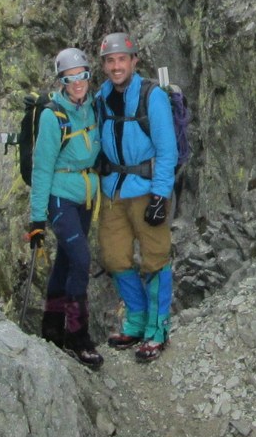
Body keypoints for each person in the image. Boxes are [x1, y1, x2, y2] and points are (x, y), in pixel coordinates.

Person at [91, 31, 177, 363]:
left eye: (121, 60)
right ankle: (137, 321)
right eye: (110, 61)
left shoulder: (151, 96)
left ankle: (157, 330)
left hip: (146, 189)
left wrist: (160, 195)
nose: (116, 66)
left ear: (133, 61)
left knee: (155, 258)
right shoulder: (101, 97)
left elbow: (166, 150)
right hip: (112, 190)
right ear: (104, 65)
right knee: (115, 257)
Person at [27, 47, 102, 369]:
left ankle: (52, 326)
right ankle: (78, 335)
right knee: (81, 258)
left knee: (66, 262)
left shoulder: (92, 109)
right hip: (60, 196)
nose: (78, 82)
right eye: (70, 78)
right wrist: (37, 220)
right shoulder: (52, 116)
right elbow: (41, 169)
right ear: (61, 81)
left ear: (88, 75)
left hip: (86, 195)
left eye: (82, 75)